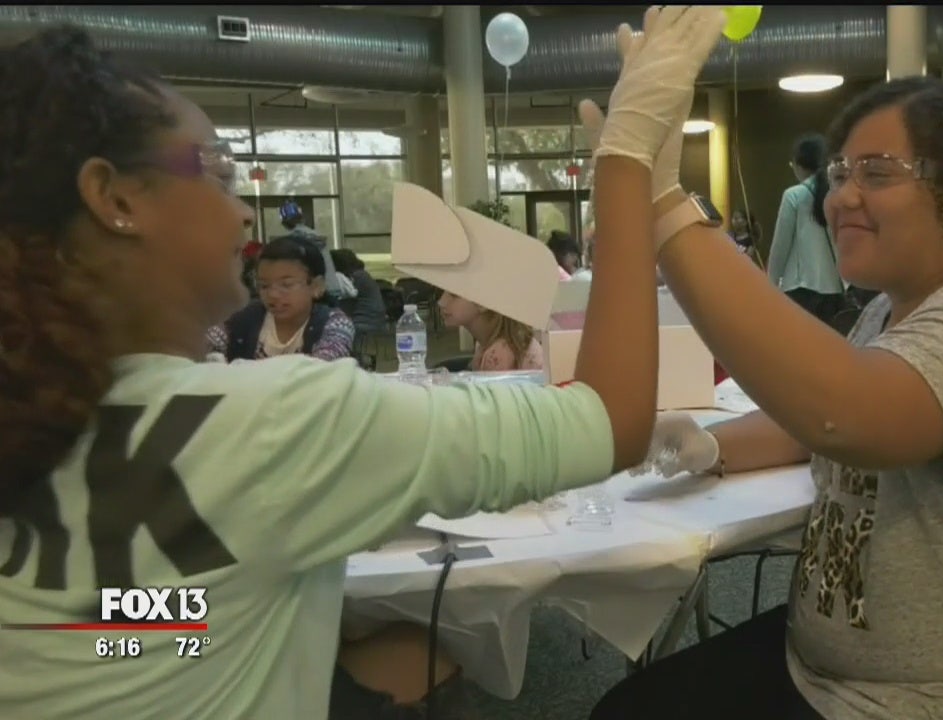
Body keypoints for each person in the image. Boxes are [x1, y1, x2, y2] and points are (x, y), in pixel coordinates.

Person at [0, 24, 665, 719]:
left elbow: (132, 625)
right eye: (218, 170)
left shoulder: (39, 403)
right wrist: (626, 162)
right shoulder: (270, 422)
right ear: (117, 198)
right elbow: (611, 422)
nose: (240, 213)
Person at [582, 12, 943, 719]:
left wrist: (660, 204)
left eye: (877, 172)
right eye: (841, 172)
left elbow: (845, 412)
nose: (841, 195)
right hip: (832, 675)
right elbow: (813, 425)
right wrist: (716, 445)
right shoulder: (894, 308)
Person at [206, 237, 356, 361]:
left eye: (286, 285)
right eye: (264, 286)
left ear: (317, 286)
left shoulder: (335, 323)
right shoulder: (243, 318)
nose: (273, 294)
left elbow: (320, 369)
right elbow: (201, 347)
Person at [767, 134, 845, 328]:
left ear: (798, 164)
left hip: (800, 291)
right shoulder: (839, 194)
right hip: (835, 291)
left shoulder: (794, 195)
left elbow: (780, 248)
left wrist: (769, 286)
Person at [439, 290, 544, 372]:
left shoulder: (498, 357)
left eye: (454, 295)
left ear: (482, 302)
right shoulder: (487, 344)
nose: (441, 302)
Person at [277, 199, 349, 303]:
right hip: (331, 285)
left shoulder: (294, 240)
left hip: (314, 290)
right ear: (302, 218)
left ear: (284, 222)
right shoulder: (315, 234)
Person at [331, 247, 389, 336]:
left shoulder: (356, 277)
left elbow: (343, 305)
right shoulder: (362, 275)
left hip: (365, 324)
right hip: (374, 322)